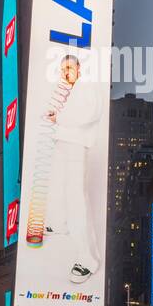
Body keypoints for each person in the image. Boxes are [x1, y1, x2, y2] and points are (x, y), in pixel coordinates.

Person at [43, 52, 103, 284]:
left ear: (79, 69)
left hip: (77, 146)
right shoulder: (69, 91)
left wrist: (59, 117)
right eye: (62, 69)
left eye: (69, 67)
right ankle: (59, 223)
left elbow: (89, 113)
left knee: (76, 198)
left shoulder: (87, 88)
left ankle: (89, 259)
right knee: (58, 186)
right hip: (64, 144)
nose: (65, 72)